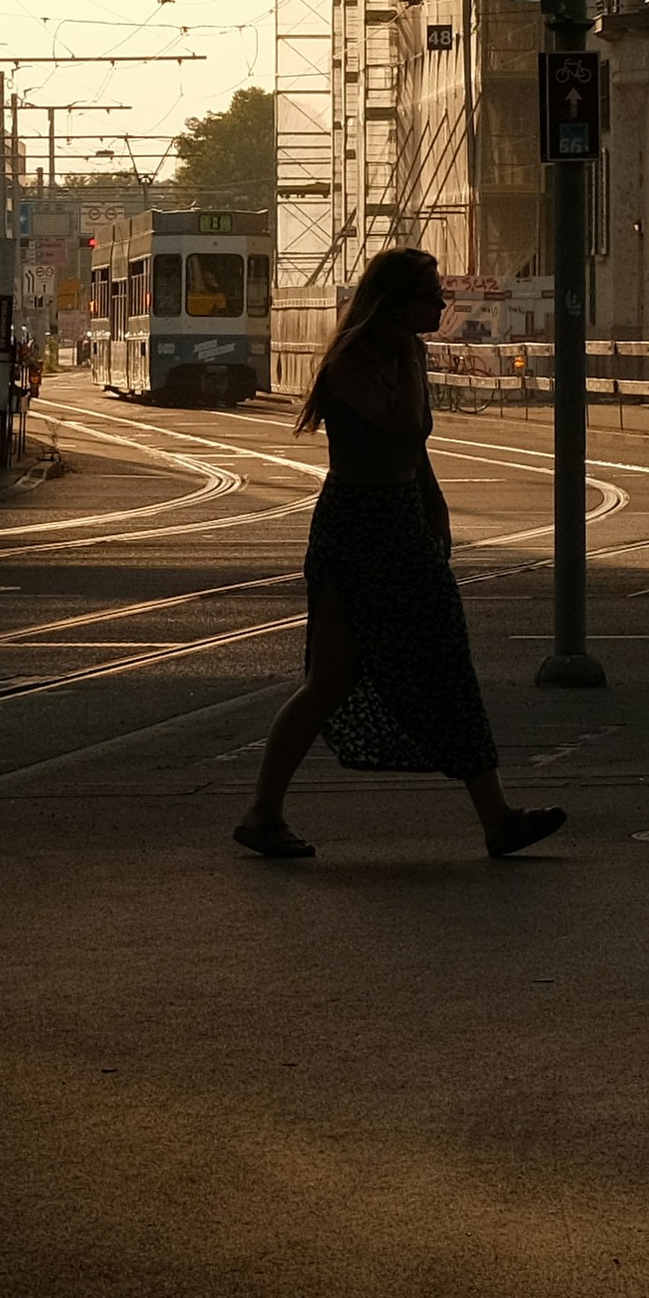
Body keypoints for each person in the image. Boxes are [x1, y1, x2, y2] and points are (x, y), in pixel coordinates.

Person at [233, 246, 565, 864]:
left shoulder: (405, 352)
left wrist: (435, 511)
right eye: (430, 295)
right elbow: (400, 420)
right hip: (356, 530)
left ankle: (497, 817)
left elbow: (416, 449)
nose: (441, 304)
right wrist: (414, 365)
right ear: (394, 301)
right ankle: (262, 812)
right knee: (330, 677)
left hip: (401, 523)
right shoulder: (353, 360)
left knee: (447, 662)